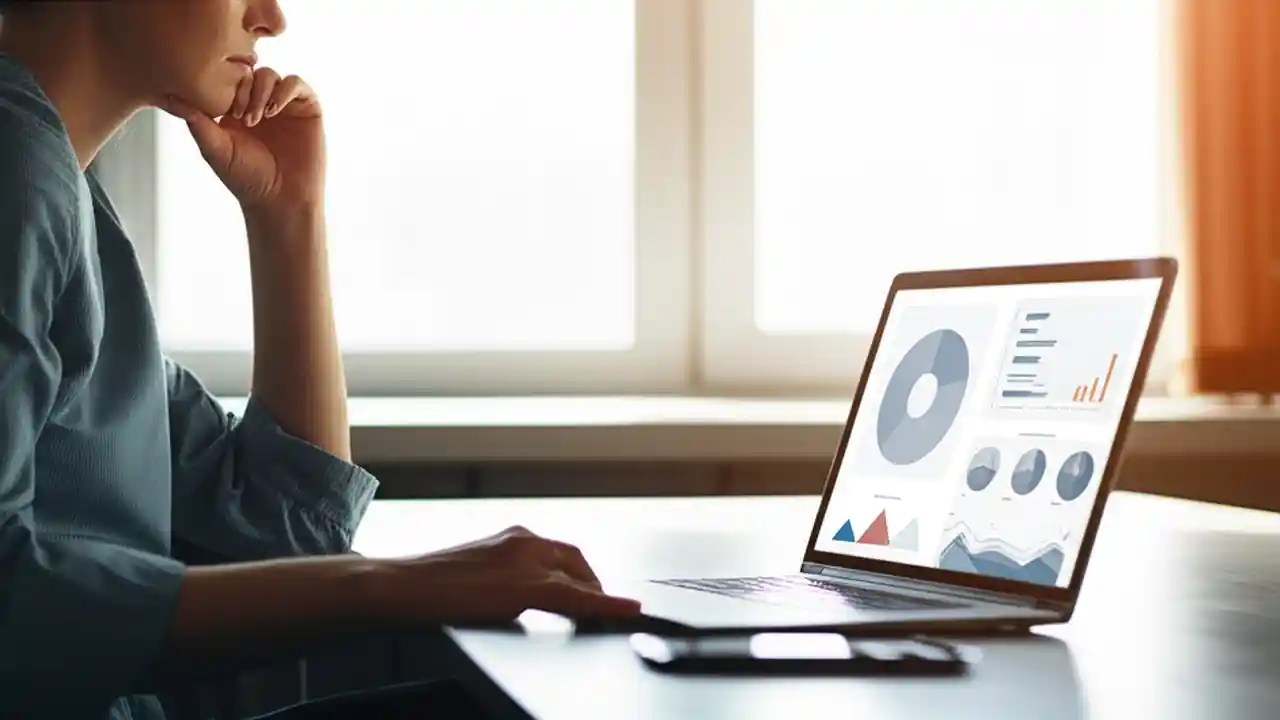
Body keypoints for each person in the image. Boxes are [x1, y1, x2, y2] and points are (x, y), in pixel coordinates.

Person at [0, 1, 641, 717]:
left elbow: (287, 529)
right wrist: (400, 585)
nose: (270, 17)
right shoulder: (14, 172)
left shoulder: (68, 191)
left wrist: (288, 215)